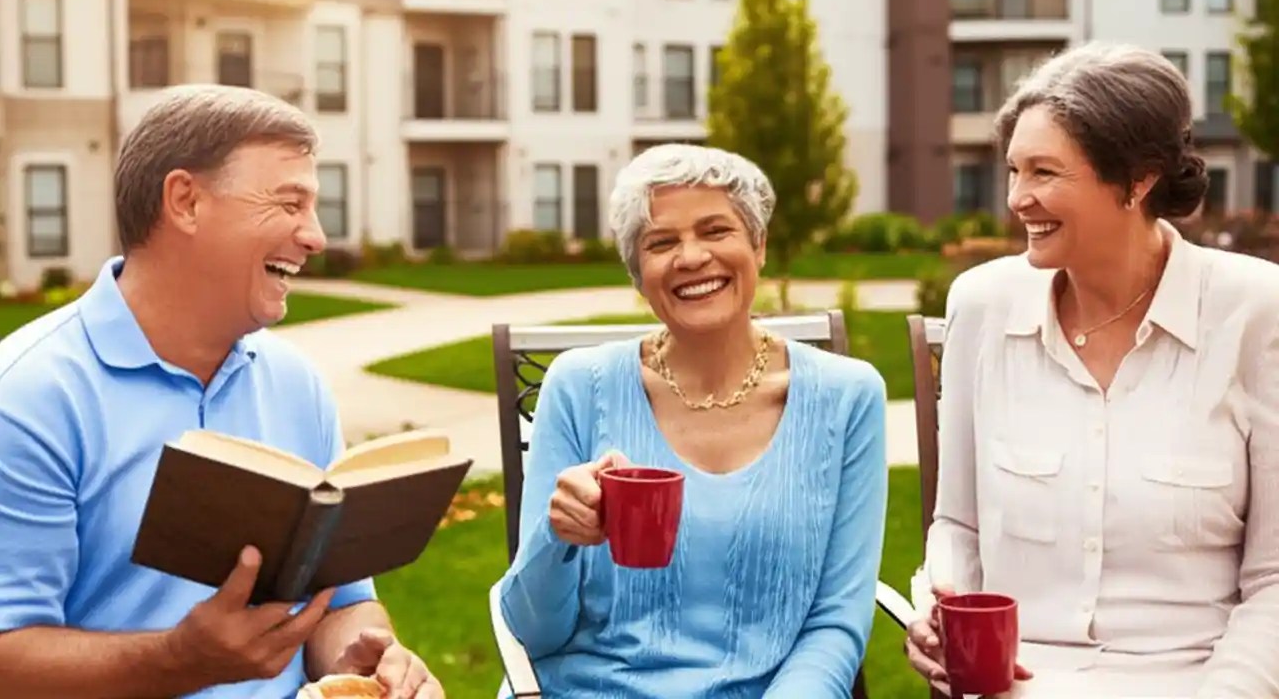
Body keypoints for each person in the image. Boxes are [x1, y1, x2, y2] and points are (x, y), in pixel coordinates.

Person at [0, 85, 445, 699]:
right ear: (185, 201)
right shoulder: (29, 396)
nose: (315, 236)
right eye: (290, 203)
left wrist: (366, 658)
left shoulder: (297, 384)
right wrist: (180, 660)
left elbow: (343, 602)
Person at [904, 42, 1279, 697]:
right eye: (1013, 171)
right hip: (1013, 685)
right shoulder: (984, 305)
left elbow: (1275, 579)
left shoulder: (1256, 313)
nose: (1019, 199)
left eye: (1045, 173)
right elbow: (956, 525)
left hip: (1194, 682)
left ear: (1138, 179)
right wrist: (942, 609)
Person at [496, 143, 889, 697]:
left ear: (759, 245)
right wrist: (556, 537)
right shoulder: (578, 387)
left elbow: (836, 621)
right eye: (661, 243)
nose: (691, 257)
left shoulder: (848, 398)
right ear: (639, 274)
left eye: (715, 230)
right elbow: (532, 633)